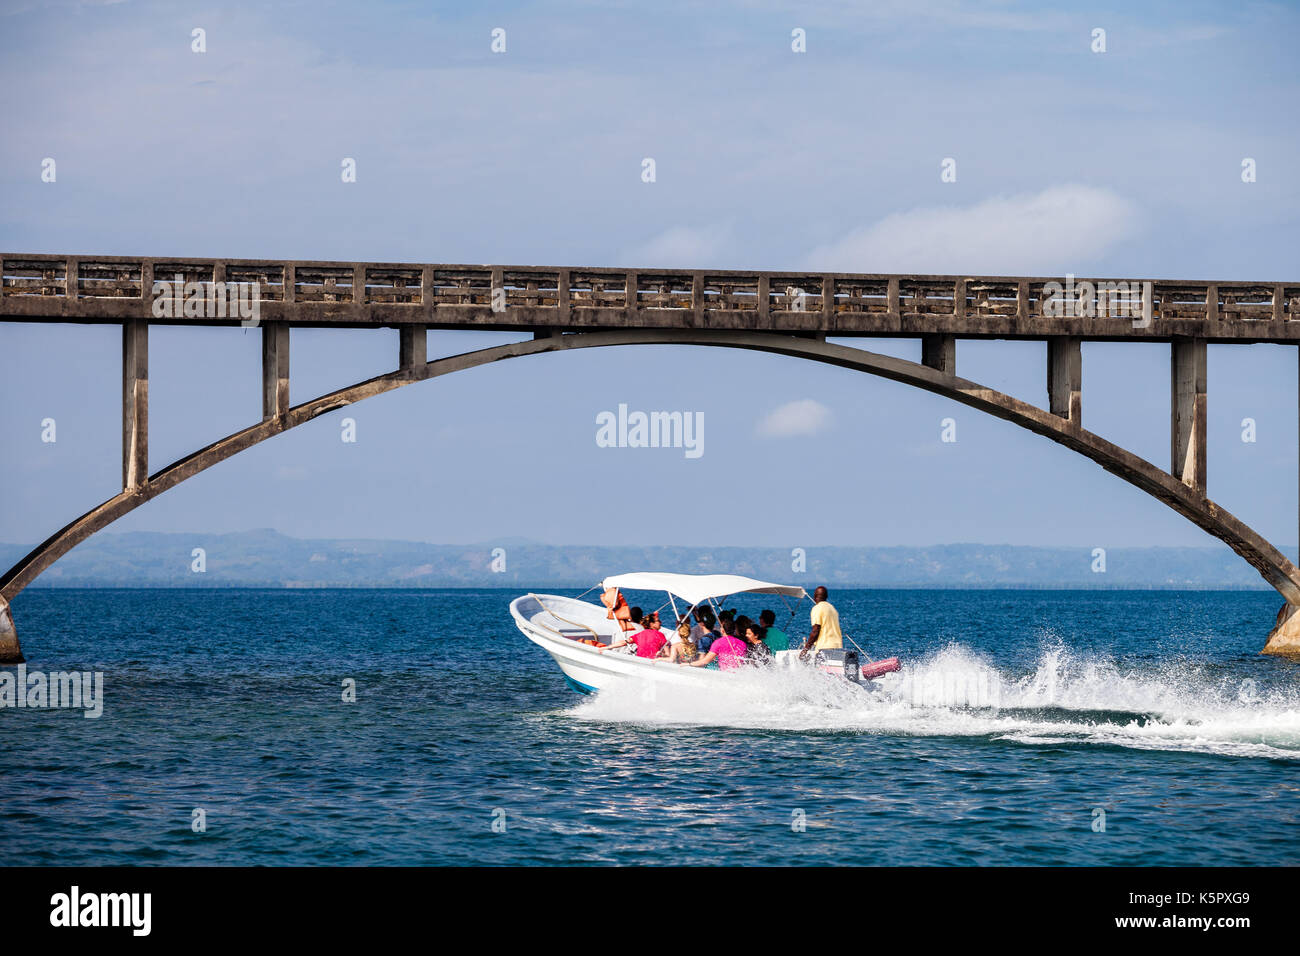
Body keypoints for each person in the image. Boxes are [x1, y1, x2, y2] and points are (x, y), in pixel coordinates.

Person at [799, 586, 843, 661]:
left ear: (815, 597)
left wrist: (805, 650)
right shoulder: (832, 608)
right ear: (826, 597)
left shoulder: (817, 608)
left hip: (824, 648)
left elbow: (815, 631)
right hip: (838, 647)